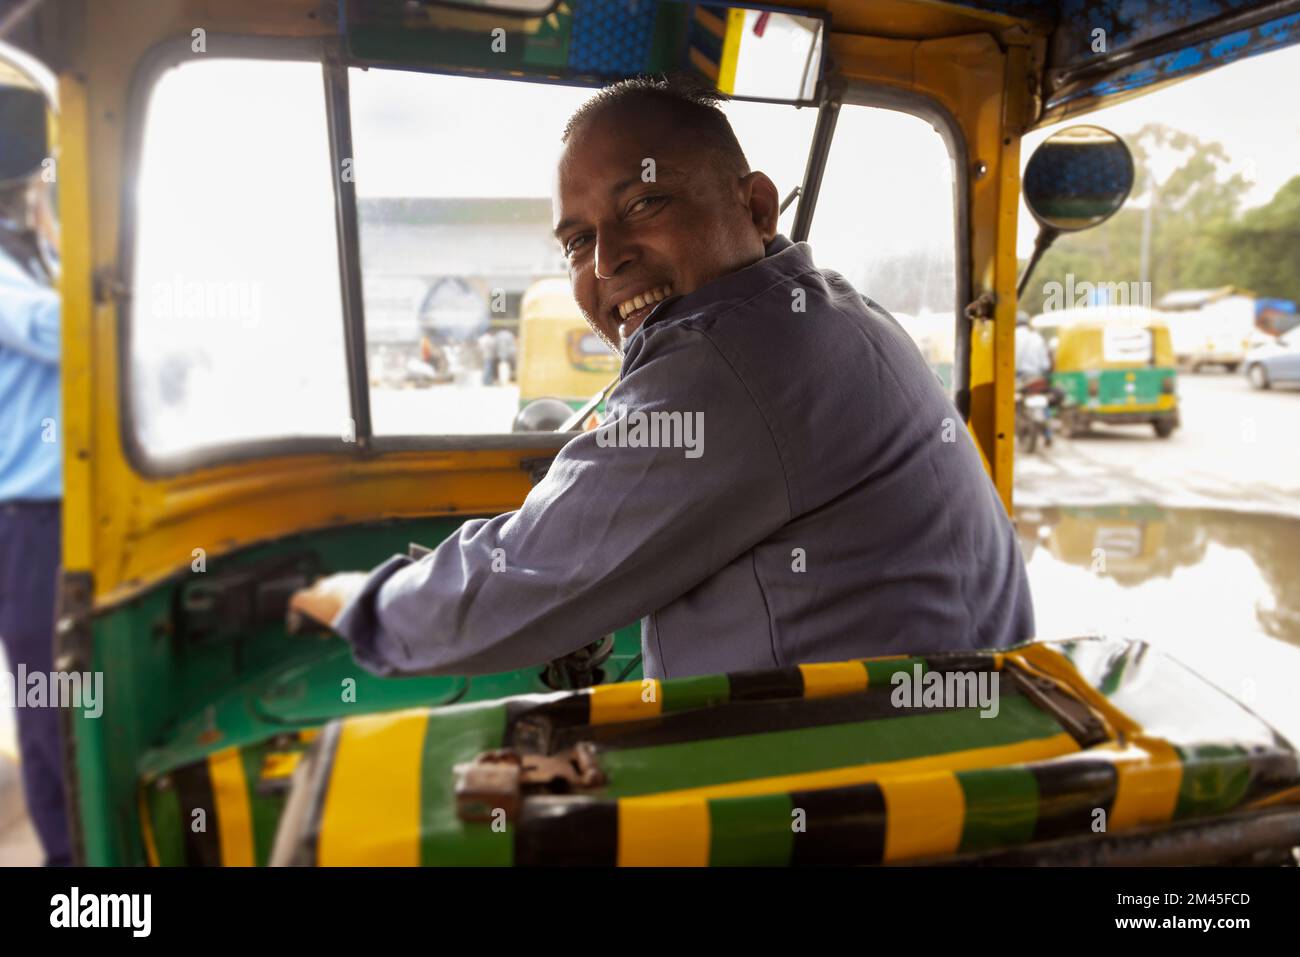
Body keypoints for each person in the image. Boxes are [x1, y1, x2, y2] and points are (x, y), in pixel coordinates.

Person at [290, 77, 1034, 680]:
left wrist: (346, 599)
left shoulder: (731, 360)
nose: (607, 259)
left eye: (645, 203)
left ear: (757, 206)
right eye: (578, 241)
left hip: (849, 798)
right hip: (939, 752)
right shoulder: (828, 310)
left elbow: (491, 599)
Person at [0, 156, 70, 860]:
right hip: (27, 519)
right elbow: (60, 329)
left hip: (80, 508)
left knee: (75, 696)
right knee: (47, 698)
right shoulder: (19, 277)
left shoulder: (45, 255)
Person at [1015, 312, 1052, 382]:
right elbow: (1045, 364)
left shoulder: (1010, 337)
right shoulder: (1037, 337)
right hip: (1034, 380)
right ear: (1028, 323)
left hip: (1014, 379)